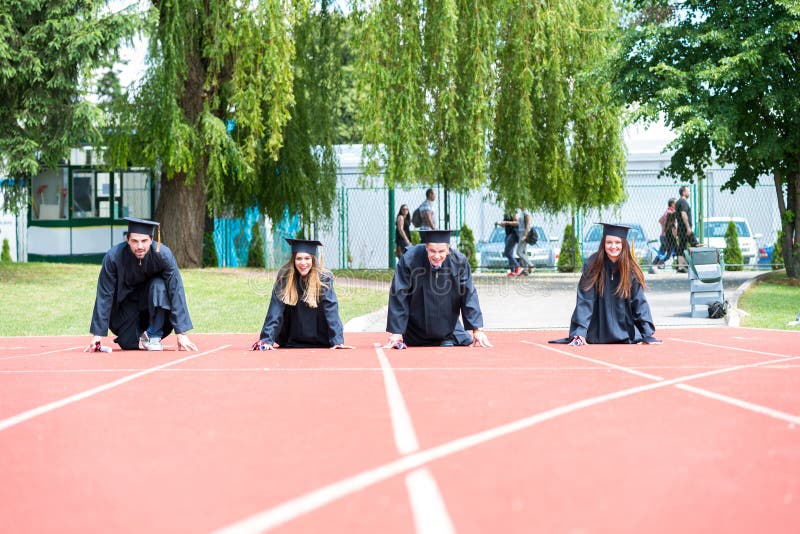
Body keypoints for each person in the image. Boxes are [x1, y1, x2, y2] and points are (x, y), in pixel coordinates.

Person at [87, 217, 198, 352]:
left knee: (159, 286)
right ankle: (141, 333)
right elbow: (104, 295)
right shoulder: (113, 258)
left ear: (151, 239)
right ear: (127, 240)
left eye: (144, 241)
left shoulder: (163, 255)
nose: (140, 246)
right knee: (127, 344)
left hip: (156, 306)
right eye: (134, 241)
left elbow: (176, 290)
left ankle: (154, 335)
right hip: (126, 307)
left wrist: (182, 333)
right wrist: (98, 334)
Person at [550, 223, 661, 345]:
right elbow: (585, 300)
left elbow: (638, 301)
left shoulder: (631, 269)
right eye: (609, 242)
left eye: (617, 242)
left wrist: (646, 334)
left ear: (623, 244)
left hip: (626, 333)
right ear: (603, 243)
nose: (613, 246)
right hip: (597, 332)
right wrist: (580, 333)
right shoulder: (592, 265)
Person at [385, 229, 492, 348]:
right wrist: (397, 332)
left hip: (448, 329)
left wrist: (477, 330)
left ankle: (445, 338)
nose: (437, 256)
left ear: (448, 249)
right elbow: (399, 293)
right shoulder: (410, 259)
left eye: (441, 251)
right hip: (415, 330)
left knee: (461, 339)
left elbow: (468, 294)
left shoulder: (459, 262)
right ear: (426, 247)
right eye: (432, 251)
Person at [253, 239, 353, 350]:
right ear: (293, 260)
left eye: (307, 258)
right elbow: (275, 309)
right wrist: (266, 340)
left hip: (321, 338)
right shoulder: (285, 277)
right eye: (299, 258)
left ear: (313, 260)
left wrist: (337, 340)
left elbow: (331, 309)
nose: (303, 263)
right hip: (291, 338)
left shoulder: (324, 278)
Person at [675, 185, 699, 272]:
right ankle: (700, 264)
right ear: (684, 192)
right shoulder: (683, 202)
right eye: (688, 191)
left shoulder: (678, 202)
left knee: (682, 247)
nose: (689, 192)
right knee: (695, 244)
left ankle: (681, 267)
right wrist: (688, 228)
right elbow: (683, 214)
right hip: (685, 228)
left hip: (681, 228)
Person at [496, 212, 522, 276]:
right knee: (510, 254)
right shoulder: (506, 214)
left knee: (507, 253)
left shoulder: (513, 212)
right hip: (508, 235)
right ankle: (513, 271)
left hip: (513, 234)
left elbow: (517, 223)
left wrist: (507, 222)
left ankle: (518, 267)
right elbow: (505, 225)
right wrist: (500, 224)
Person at [654, 198, 677, 266]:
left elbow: (660, 220)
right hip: (668, 237)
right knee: (672, 252)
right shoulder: (671, 213)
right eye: (676, 203)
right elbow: (673, 226)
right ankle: (660, 263)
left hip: (663, 236)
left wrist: (663, 228)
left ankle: (654, 264)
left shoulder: (666, 212)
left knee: (662, 252)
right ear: (672, 204)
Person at [515, 207, 534, 275]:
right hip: (520, 233)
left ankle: (531, 265)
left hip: (523, 233)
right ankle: (525, 270)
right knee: (523, 252)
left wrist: (525, 236)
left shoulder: (526, 213)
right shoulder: (522, 213)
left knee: (519, 252)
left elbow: (528, 224)